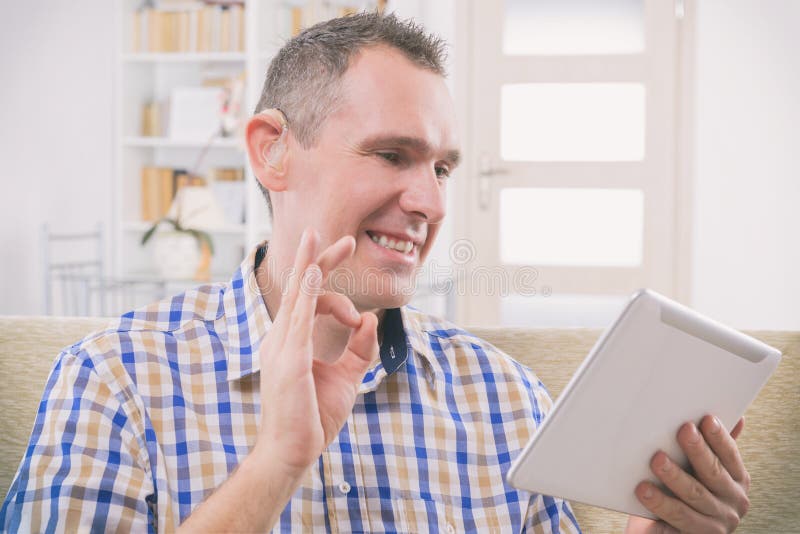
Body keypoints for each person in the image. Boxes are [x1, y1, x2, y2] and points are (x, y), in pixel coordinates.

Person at [1, 12, 751, 533]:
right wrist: (276, 464)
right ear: (271, 149)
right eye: (392, 155)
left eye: (444, 167)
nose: (429, 202)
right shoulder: (114, 380)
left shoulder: (506, 402)